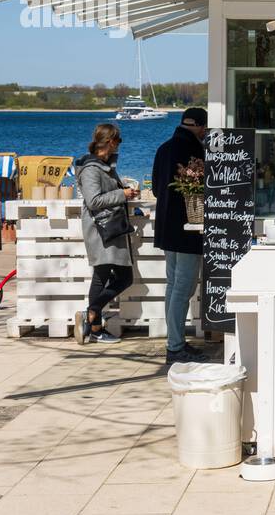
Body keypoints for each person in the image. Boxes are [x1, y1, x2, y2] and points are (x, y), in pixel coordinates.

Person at [152, 107, 207, 363]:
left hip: (165, 227)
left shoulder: (163, 148)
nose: (206, 133)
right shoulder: (194, 150)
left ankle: (175, 341)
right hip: (187, 228)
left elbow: (154, 188)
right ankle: (175, 347)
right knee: (182, 288)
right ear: (199, 126)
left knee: (173, 286)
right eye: (204, 128)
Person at [75, 123, 138, 345]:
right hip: (101, 229)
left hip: (110, 227)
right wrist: (122, 194)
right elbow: (94, 201)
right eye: (118, 141)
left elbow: (106, 194)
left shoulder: (103, 165)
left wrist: (125, 192)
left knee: (104, 276)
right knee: (118, 277)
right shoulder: (92, 168)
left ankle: (94, 324)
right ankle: (94, 318)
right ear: (110, 141)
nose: (119, 145)